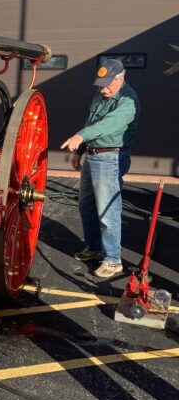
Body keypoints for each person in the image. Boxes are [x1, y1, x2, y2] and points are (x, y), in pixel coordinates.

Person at [60, 59, 140, 279]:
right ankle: (94, 248)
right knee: (86, 206)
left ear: (120, 79)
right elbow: (91, 122)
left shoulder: (127, 101)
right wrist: (80, 151)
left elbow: (108, 124)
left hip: (111, 158)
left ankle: (113, 260)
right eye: (100, 84)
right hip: (93, 156)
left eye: (107, 84)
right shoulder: (100, 94)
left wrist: (80, 137)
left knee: (107, 212)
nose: (103, 88)